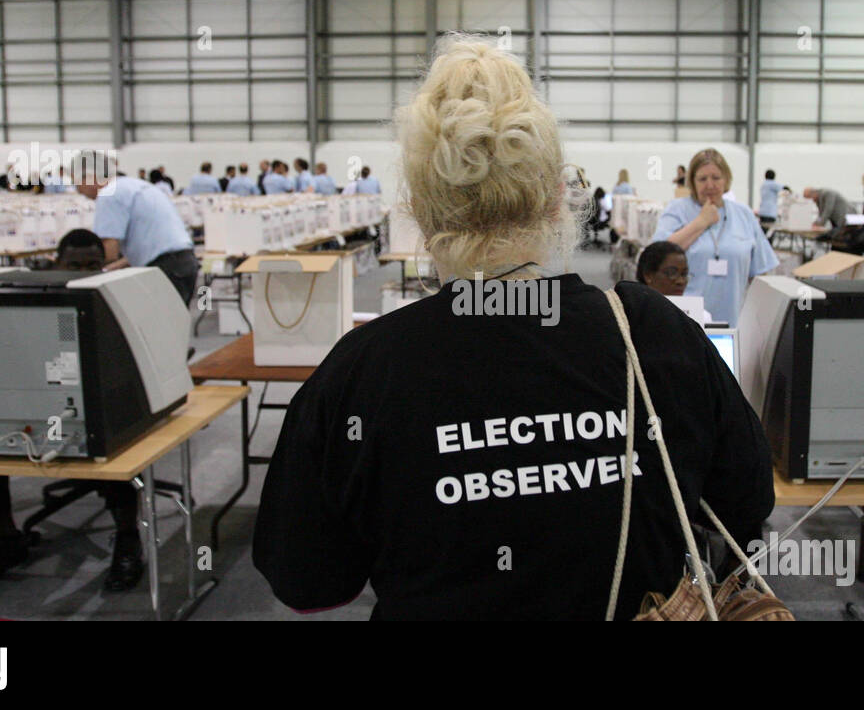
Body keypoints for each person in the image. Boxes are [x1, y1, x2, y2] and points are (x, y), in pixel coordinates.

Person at [252, 36, 774, 620]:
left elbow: (308, 582)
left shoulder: (362, 371)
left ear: (421, 212)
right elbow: (746, 501)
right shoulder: (653, 333)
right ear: (557, 198)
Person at [0, 229, 145, 597]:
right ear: (56, 263)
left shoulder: (114, 298)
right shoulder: (26, 299)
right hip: (35, 392)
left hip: (97, 398)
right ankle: (4, 537)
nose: (85, 271)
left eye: (93, 264)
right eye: (75, 265)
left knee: (122, 431)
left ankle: (127, 536)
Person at [654, 149, 779, 327]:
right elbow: (659, 256)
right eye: (702, 179)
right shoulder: (677, 210)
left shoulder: (743, 214)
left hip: (733, 321)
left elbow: (761, 273)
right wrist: (701, 222)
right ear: (692, 182)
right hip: (684, 321)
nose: (710, 185)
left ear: (726, 180)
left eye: (716, 178)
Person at [73, 150, 200, 307]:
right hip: (184, 263)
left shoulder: (109, 194)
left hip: (166, 268)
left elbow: (108, 247)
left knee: (155, 326)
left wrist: (89, 275)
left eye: (77, 184)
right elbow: (144, 249)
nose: (79, 191)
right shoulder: (135, 185)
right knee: (171, 327)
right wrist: (112, 268)